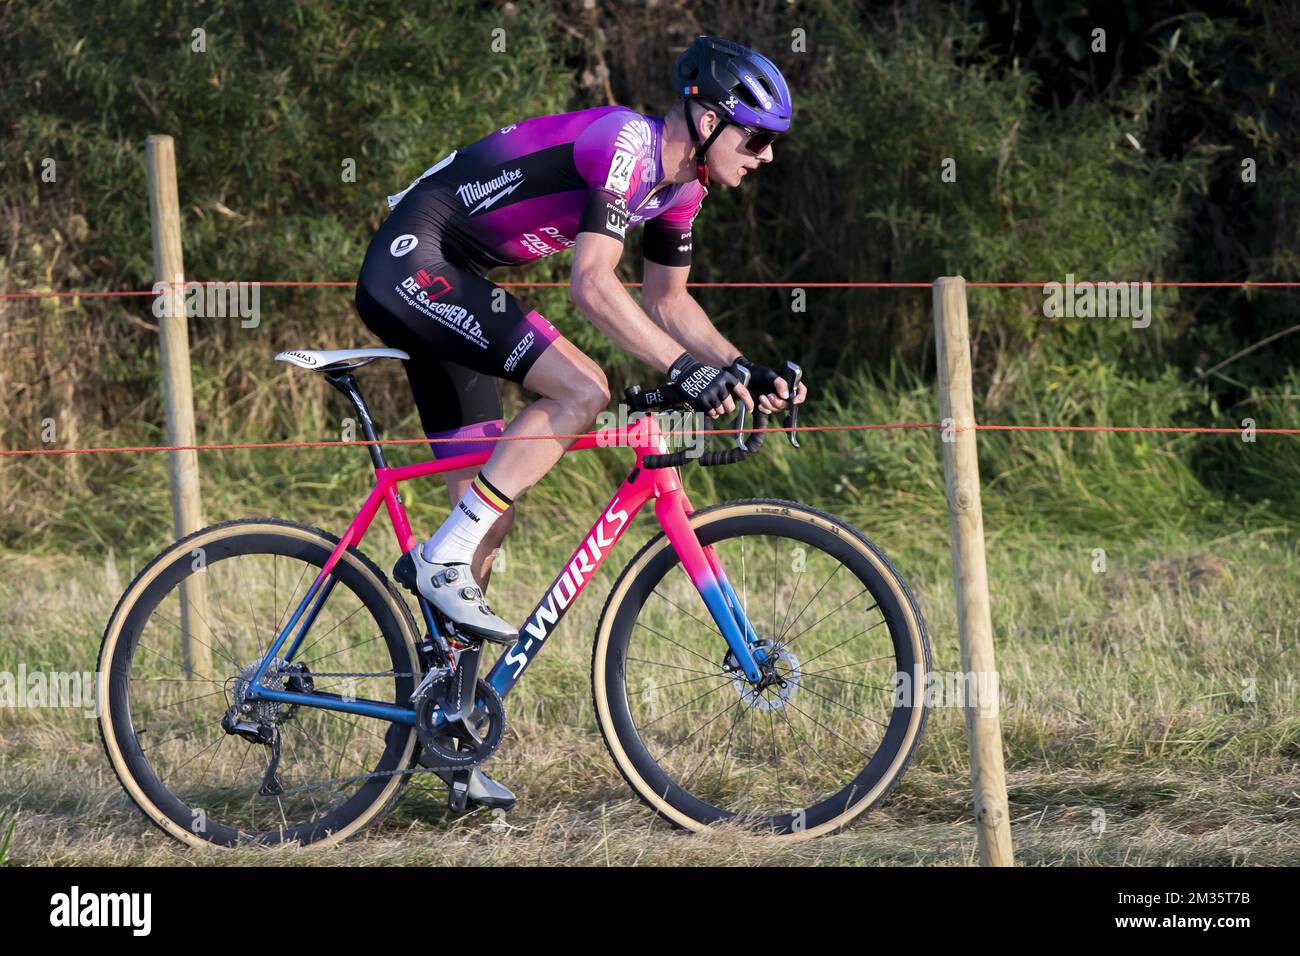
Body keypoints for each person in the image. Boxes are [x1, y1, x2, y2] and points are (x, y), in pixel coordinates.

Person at [353, 36, 807, 807]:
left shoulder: (679, 191)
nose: (763, 157)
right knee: (583, 388)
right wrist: (678, 369)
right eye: (755, 138)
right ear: (704, 119)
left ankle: (449, 739)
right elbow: (592, 287)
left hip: (455, 278)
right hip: (413, 261)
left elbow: (669, 301)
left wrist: (735, 366)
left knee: (484, 524)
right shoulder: (627, 144)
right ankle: (441, 560)